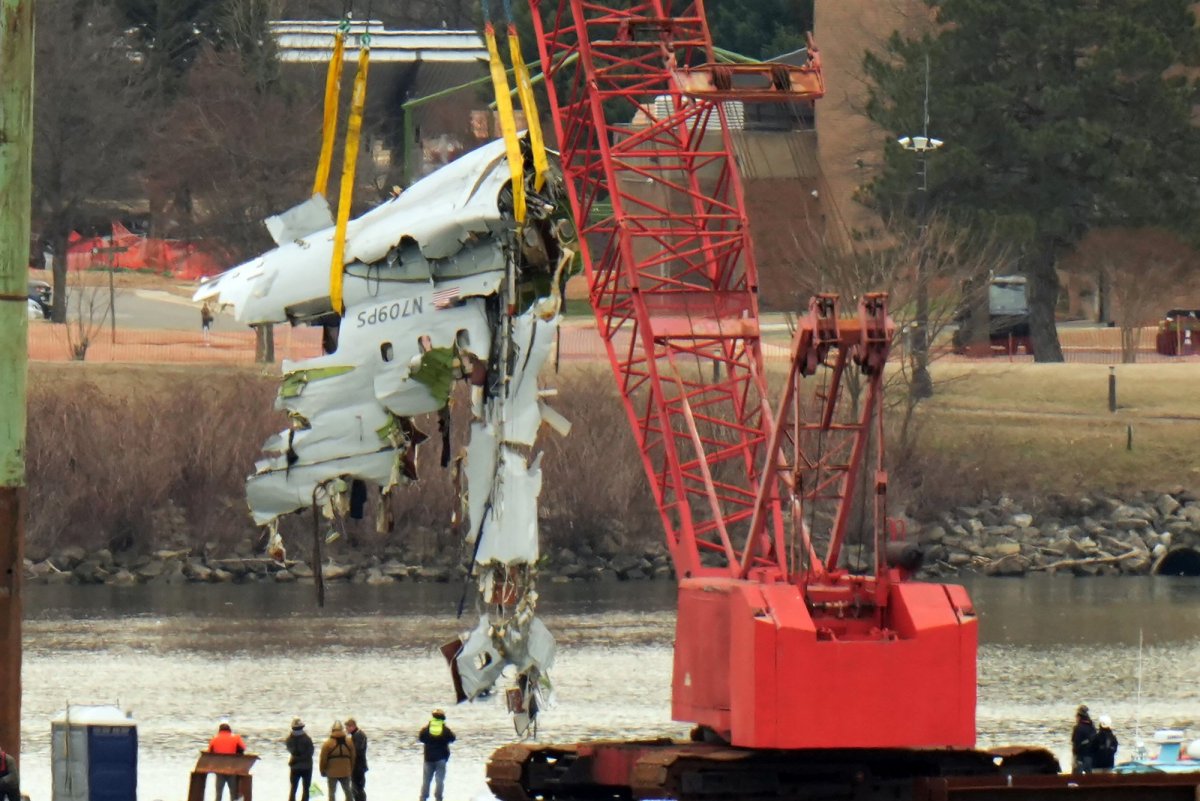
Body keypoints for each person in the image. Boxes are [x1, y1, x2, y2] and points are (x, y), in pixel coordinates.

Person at [418, 709, 456, 801]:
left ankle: (423, 798)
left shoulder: (426, 729)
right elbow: (453, 738)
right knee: (439, 780)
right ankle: (438, 798)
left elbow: (421, 738)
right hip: (441, 759)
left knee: (426, 780)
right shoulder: (445, 730)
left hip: (428, 758)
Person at [208, 722, 248, 801]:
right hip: (232, 768)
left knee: (218, 793)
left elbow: (210, 752)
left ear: (219, 730)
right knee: (233, 793)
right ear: (230, 730)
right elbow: (243, 749)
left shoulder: (214, 738)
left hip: (219, 768)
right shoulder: (236, 738)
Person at [319, 720, 356, 801]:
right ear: (342, 730)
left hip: (331, 773)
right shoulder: (349, 742)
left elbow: (323, 759)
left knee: (332, 793)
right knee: (347, 791)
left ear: (332, 730)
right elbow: (353, 757)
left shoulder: (327, 743)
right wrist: (351, 769)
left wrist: (322, 770)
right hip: (346, 771)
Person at [286, 718, 315, 801]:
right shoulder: (307, 739)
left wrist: (296, 758)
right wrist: (302, 758)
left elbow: (290, 750)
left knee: (293, 788)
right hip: (307, 766)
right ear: (302, 727)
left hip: (294, 766)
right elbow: (311, 752)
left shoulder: (289, 739)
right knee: (306, 789)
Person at [346, 718, 368, 801]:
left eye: (347, 727)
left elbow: (358, 751)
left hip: (359, 766)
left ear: (352, 726)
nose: (346, 730)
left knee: (358, 787)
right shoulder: (356, 735)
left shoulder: (359, 735)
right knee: (356, 788)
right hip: (358, 766)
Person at [1071, 705, 1096, 774]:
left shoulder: (1077, 728)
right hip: (1090, 757)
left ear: (1079, 716)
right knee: (1090, 778)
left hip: (1079, 757)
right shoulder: (1092, 727)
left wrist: (1074, 757)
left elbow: (1074, 743)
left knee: (1075, 779)